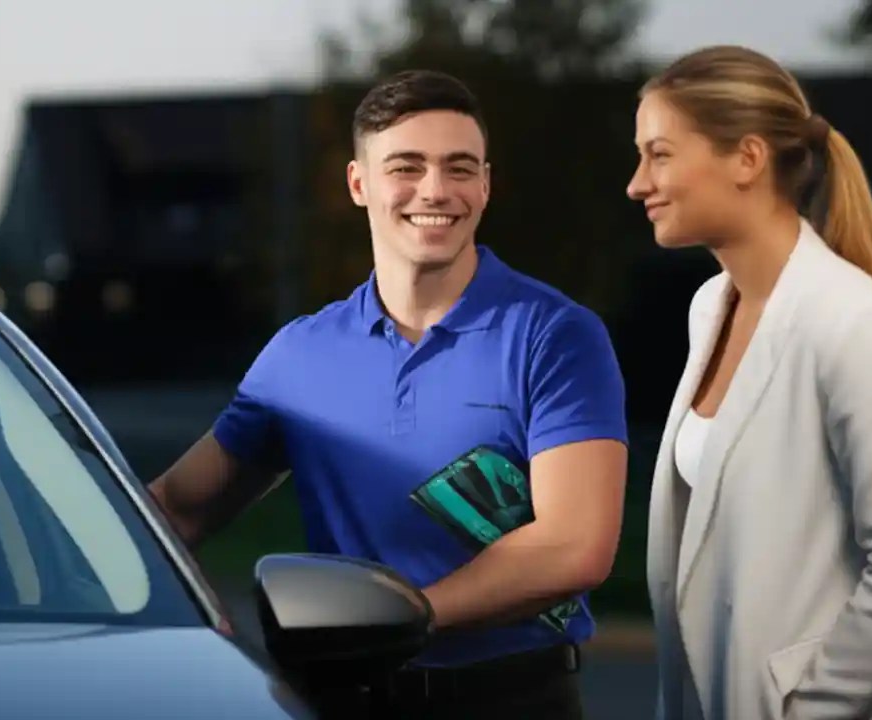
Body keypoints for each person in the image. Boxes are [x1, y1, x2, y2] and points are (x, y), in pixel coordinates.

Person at [149, 69, 628, 718]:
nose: (436, 189)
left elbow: (574, 546)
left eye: (460, 168)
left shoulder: (555, 334)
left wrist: (402, 619)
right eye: (407, 165)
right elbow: (175, 511)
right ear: (358, 183)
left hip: (515, 698)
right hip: (341, 701)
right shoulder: (299, 353)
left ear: (485, 186)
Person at [628, 45, 872, 720]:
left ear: (747, 158)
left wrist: (810, 708)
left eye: (660, 154)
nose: (637, 183)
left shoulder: (855, 325)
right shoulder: (710, 307)